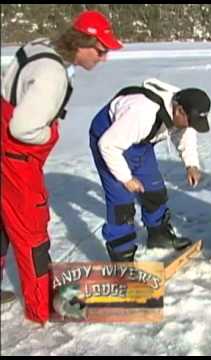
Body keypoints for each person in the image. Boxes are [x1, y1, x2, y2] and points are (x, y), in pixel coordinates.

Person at [0, 10, 122, 323]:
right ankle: (40, 309)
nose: (104, 57)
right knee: (32, 236)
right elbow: (22, 128)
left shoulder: (41, 47)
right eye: (100, 49)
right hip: (16, 158)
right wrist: (49, 132)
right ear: (82, 43)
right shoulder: (52, 75)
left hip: (7, 151)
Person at [89, 78, 211, 262]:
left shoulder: (183, 108)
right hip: (109, 138)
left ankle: (159, 235)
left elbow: (184, 132)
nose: (190, 125)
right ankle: (122, 257)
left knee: (154, 190)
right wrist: (126, 178)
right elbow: (107, 145)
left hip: (141, 142)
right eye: (190, 121)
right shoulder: (142, 114)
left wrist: (191, 163)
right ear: (179, 110)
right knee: (121, 203)